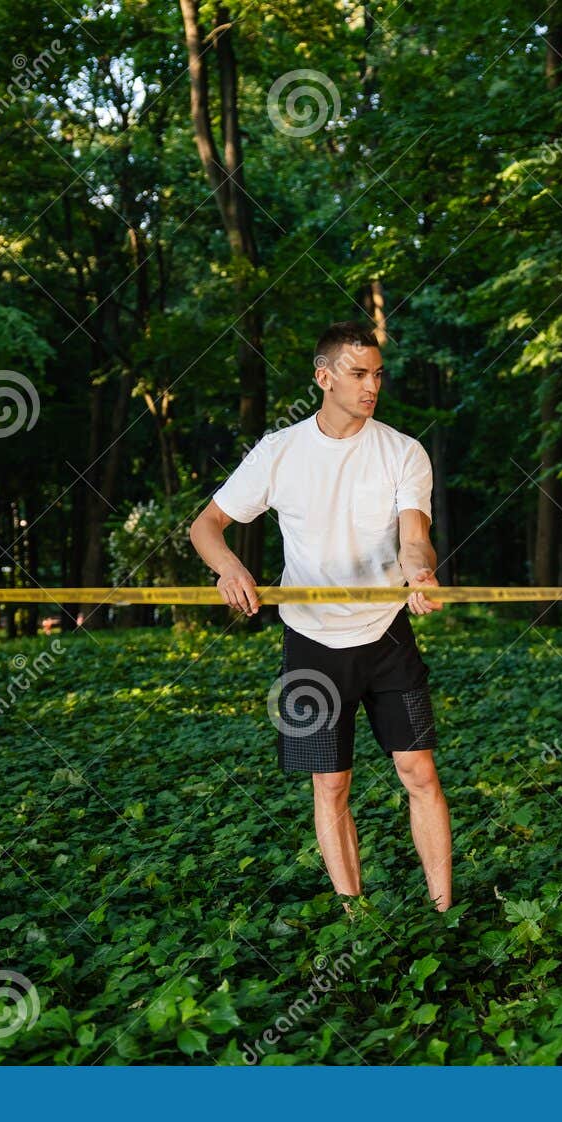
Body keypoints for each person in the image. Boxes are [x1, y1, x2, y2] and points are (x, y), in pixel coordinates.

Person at [189, 321, 453, 912]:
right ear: (323, 376)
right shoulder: (279, 452)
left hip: (387, 636)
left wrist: (421, 572)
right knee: (330, 783)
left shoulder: (403, 451)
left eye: (377, 374)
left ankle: (444, 910)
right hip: (309, 643)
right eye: (359, 374)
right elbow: (205, 525)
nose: (372, 386)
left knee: (420, 773)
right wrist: (229, 569)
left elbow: (416, 537)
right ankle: (353, 913)